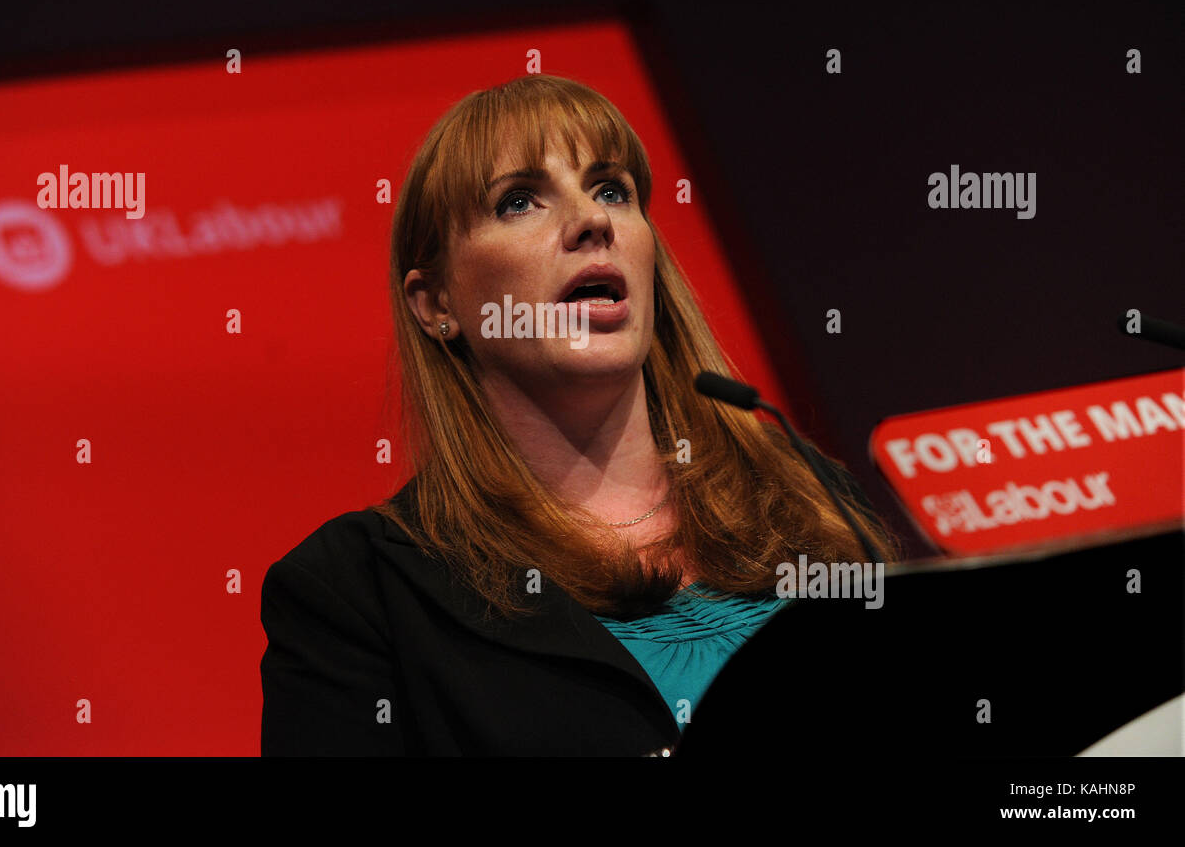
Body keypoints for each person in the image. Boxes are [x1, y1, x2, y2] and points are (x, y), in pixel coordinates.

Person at [260, 73, 901, 756]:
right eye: (519, 201)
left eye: (611, 191)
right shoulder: (360, 592)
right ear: (436, 302)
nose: (592, 220)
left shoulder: (810, 497)